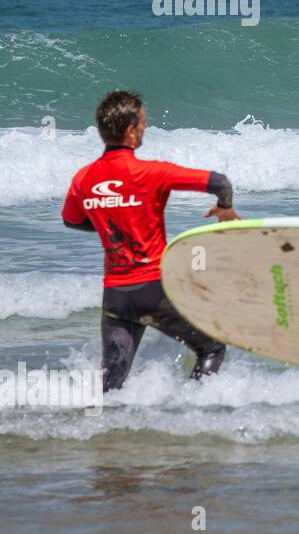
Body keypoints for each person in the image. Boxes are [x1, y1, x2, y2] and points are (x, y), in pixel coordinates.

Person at [61, 90, 240, 390]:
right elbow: (219, 182)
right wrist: (225, 209)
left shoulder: (83, 178)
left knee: (112, 381)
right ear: (131, 131)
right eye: (143, 123)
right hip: (153, 290)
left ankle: (102, 431)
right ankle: (194, 410)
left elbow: (72, 220)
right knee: (211, 348)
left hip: (116, 296)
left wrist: (111, 223)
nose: (145, 127)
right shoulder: (152, 172)